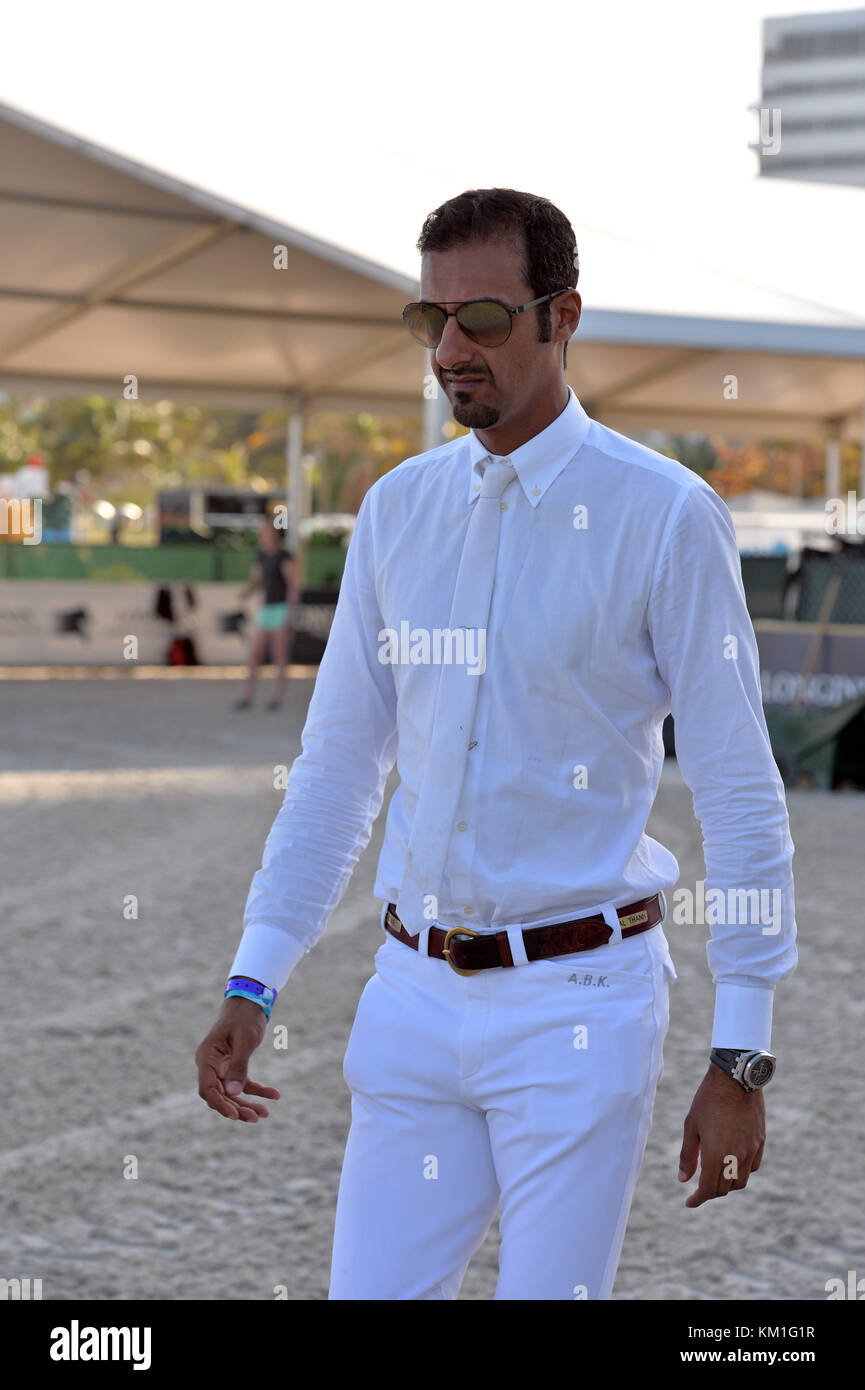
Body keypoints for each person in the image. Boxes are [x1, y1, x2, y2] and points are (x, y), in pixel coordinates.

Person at [196, 188, 798, 1300]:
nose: (449, 350)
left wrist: (740, 1054)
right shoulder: (396, 511)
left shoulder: (665, 515)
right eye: (429, 319)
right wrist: (256, 976)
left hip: (581, 1007)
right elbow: (339, 767)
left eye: (480, 317)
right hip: (409, 1001)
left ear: (561, 316)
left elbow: (738, 789)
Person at [233, 517, 300, 711]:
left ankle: (277, 697)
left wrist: (290, 611)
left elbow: (293, 585)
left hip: (281, 608)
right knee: (255, 654)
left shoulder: (284, 556)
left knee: (279, 655)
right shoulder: (261, 556)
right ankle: (248, 695)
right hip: (267, 609)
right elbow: (257, 581)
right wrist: (245, 593)